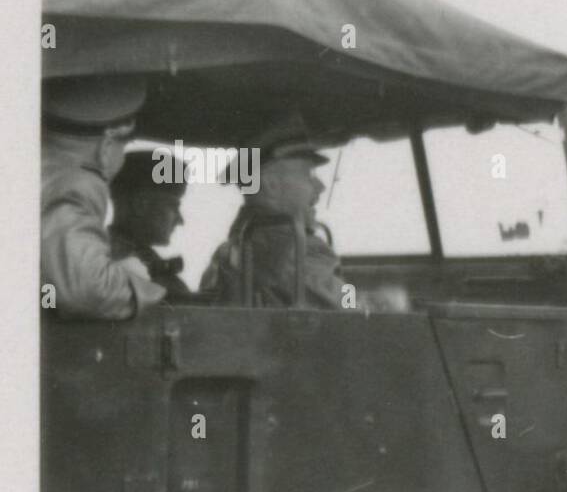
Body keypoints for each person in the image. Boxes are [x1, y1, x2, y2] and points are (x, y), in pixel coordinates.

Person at [41, 76, 166, 320]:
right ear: (107, 145)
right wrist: (135, 280)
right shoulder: (77, 183)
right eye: (124, 145)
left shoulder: (37, 169)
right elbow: (87, 289)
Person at [201, 112, 347, 309]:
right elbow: (349, 304)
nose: (320, 186)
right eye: (307, 174)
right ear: (271, 184)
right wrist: (367, 299)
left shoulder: (227, 253)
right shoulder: (298, 252)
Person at [109, 149, 190, 302]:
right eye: (173, 206)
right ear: (141, 205)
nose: (180, 220)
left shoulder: (139, 259)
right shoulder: (119, 266)